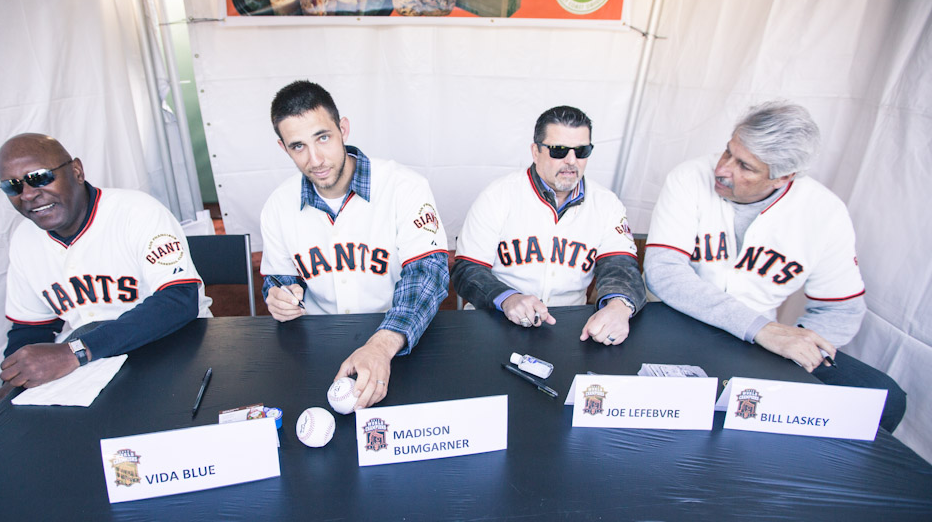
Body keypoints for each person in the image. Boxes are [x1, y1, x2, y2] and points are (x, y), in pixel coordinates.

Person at [644, 101, 905, 431]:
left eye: (745, 167)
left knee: (885, 398)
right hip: (675, 326)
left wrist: (795, 349)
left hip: (758, 348)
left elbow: (843, 309)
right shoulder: (688, 177)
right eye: (728, 152)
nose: (723, 169)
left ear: (784, 177)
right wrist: (763, 330)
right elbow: (665, 272)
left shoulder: (824, 212)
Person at [0, 133, 212, 423]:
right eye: (13, 186)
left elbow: (178, 301)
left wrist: (75, 353)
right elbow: (30, 327)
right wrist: (14, 379)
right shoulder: (24, 239)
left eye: (39, 178)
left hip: (170, 344)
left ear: (76, 171)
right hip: (91, 360)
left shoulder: (137, 211)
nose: (28, 194)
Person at [260, 80, 449, 409]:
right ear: (283, 148)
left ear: (342, 129)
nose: (315, 158)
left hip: (397, 339)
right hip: (318, 347)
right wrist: (278, 295)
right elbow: (279, 278)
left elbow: (429, 273)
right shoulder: (278, 205)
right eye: (298, 146)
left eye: (323, 137)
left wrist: (381, 345)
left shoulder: (404, 187)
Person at [451, 105, 646, 344]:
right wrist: (508, 298)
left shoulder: (606, 203)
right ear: (535, 151)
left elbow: (621, 268)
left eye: (581, 150)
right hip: (494, 320)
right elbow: (467, 270)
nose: (571, 161)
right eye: (559, 150)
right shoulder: (498, 196)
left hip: (569, 327)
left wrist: (619, 307)